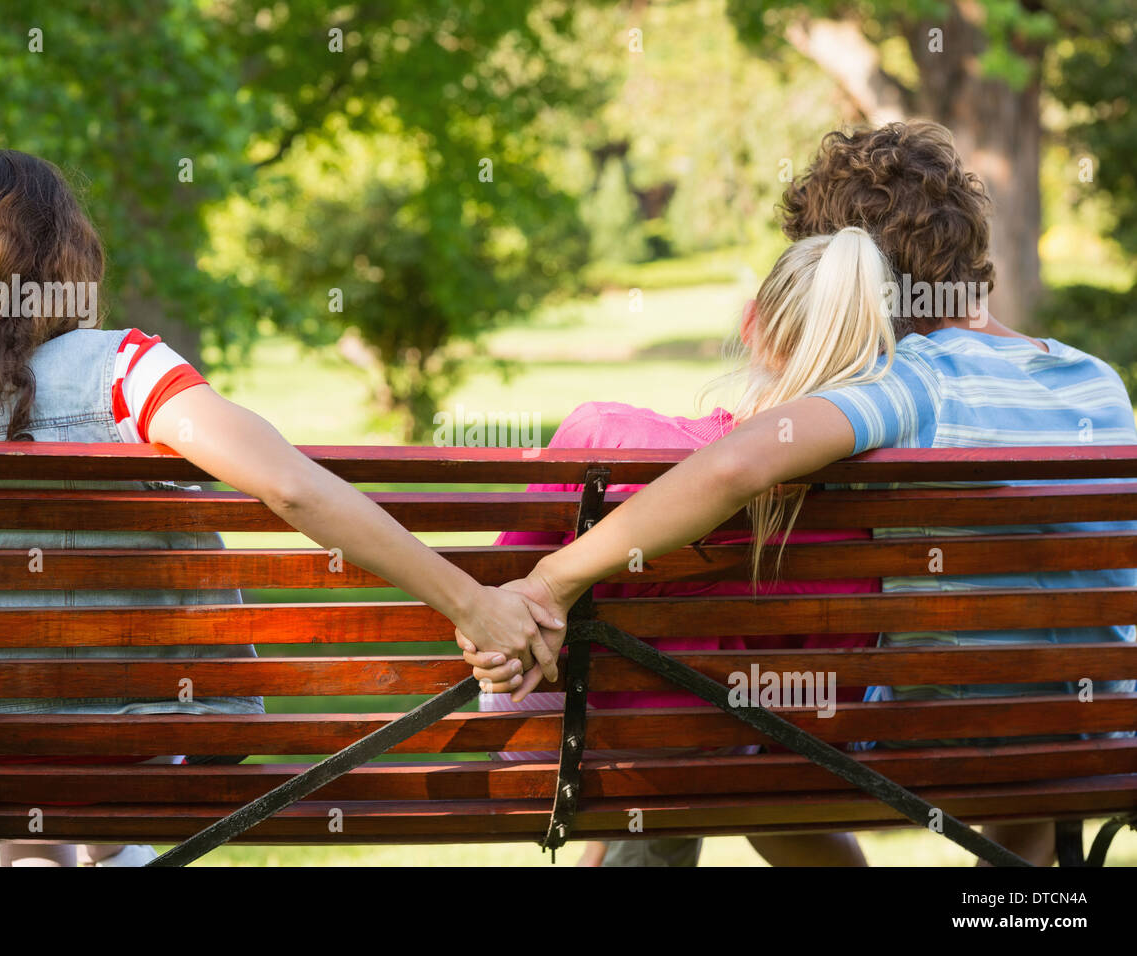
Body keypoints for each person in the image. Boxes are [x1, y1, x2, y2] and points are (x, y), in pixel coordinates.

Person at [0, 148, 562, 866]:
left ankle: (38, 856)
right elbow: (291, 486)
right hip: (141, 748)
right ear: (67, 261)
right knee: (71, 754)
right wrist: (469, 602)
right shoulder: (124, 373)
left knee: (11, 742)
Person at [464, 121, 1137, 868]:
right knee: (1013, 741)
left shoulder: (911, 382)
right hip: (1089, 734)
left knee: (756, 719)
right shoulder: (1095, 382)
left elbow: (729, 467)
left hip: (921, 737)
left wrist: (554, 579)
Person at [475, 226, 896, 867]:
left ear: (753, 327)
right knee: (700, 737)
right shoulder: (855, 517)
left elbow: (497, 604)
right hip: (718, 757)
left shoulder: (604, 434)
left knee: (647, 737)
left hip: (555, 749)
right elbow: (815, 718)